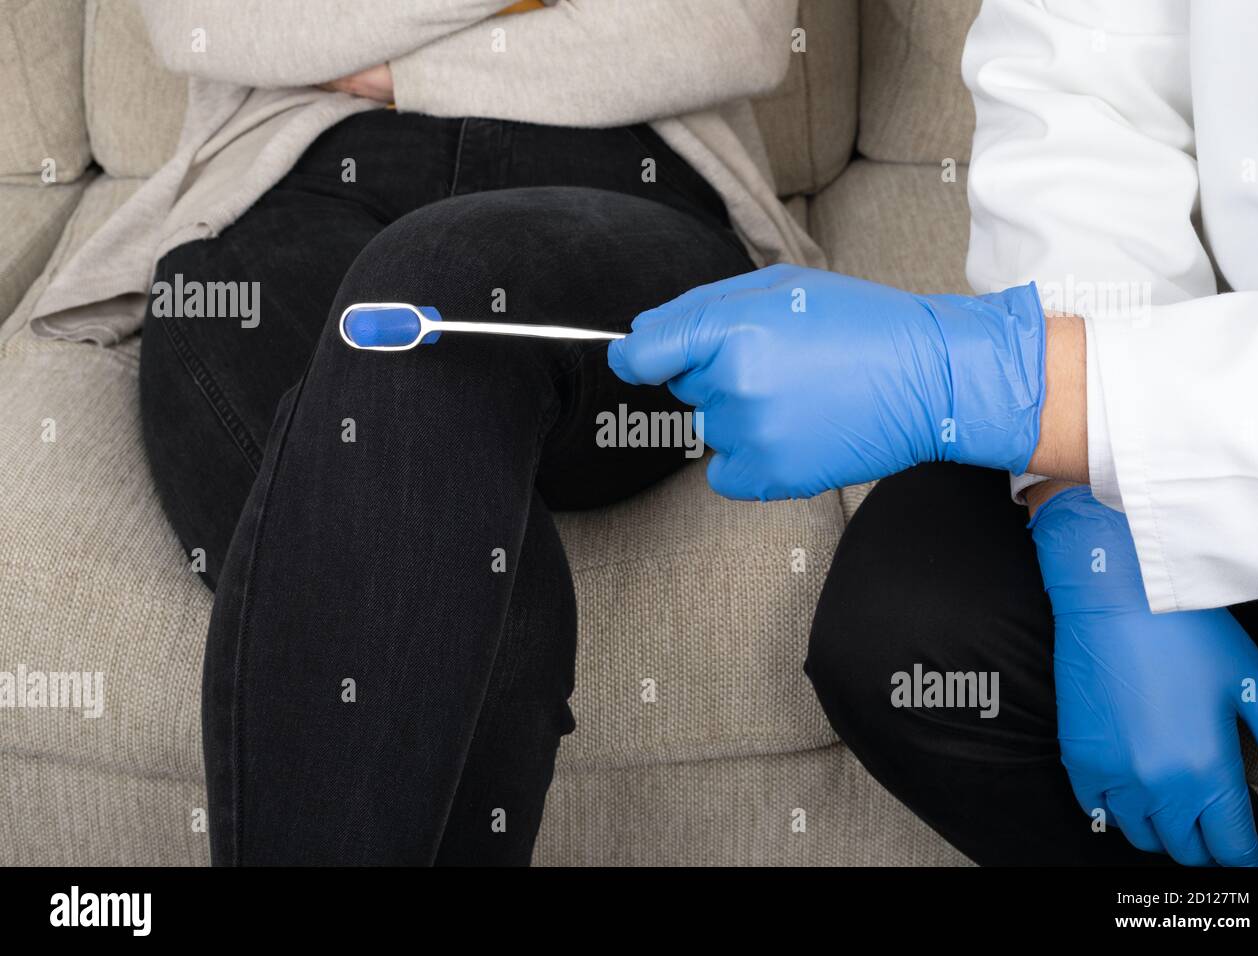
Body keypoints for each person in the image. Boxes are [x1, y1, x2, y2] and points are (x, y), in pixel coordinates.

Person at [26, 0, 818, 865]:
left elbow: (735, 31)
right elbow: (204, 22)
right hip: (296, 184)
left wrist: (400, 69)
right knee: (469, 597)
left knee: (423, 391)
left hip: (621, 197)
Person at [608, 0, 1258, 866]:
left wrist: (1021, 383)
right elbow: (1083, 91)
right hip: (1195, 372)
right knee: (909, 622)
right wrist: (1090, 502)